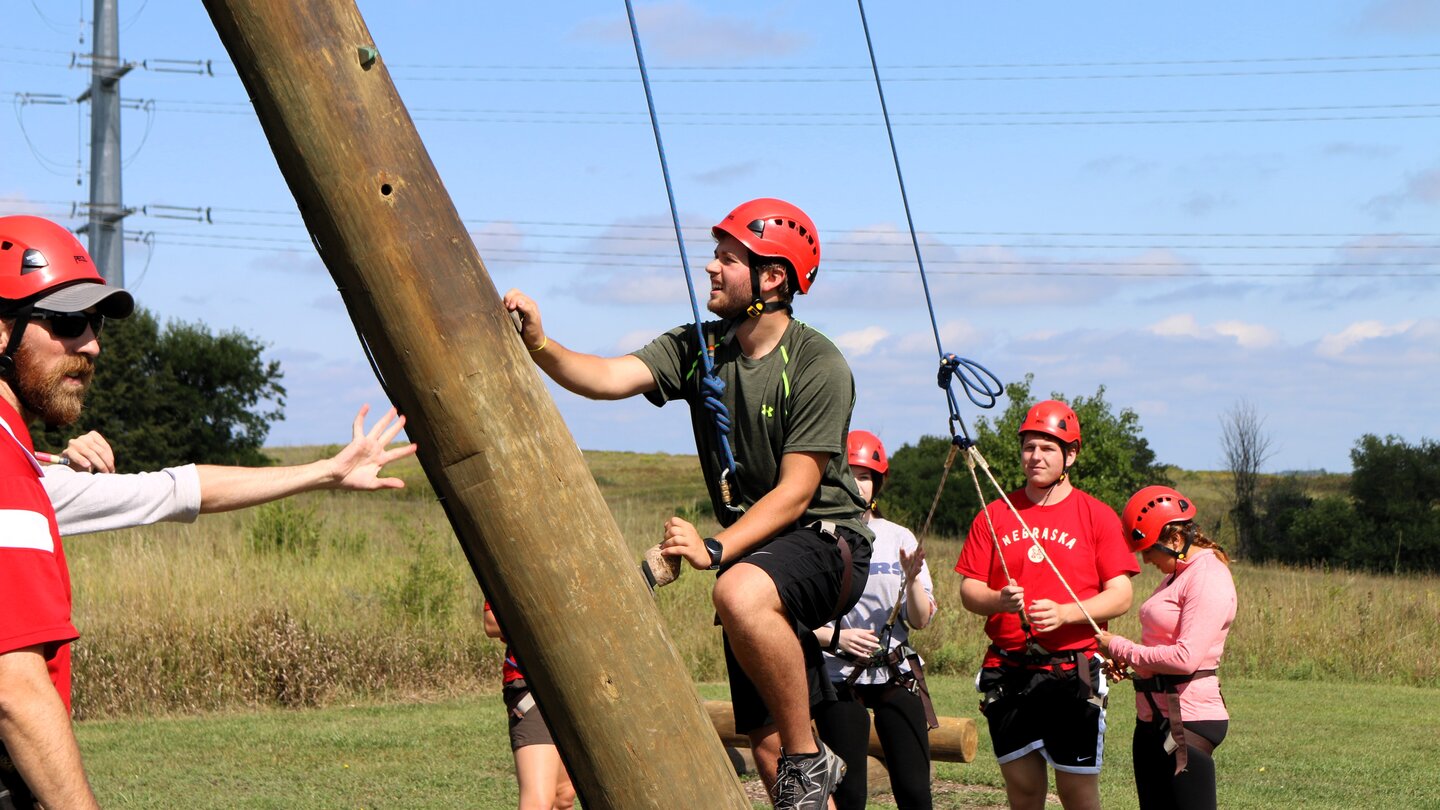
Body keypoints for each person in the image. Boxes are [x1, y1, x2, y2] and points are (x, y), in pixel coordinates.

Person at [0, 215, 417, 809]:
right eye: (66, 322)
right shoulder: (8, 470)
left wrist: (326, 471)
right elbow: (14, 686)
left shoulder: (26, 465)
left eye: (92, 324)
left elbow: (174, 489)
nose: (91, 344)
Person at [504, 197, 872, 810]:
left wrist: (715, 547)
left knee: (737, 594)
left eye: (727, 258)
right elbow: (605, 377)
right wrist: (541, 344)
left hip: (826, 541)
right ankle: (803, 762)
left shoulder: (817, 363)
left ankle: (811, 760)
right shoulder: (699, 348)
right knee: (767, 748)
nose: (710, 268)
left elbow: (797, 491)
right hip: (756, 554)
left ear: (772, 278)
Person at [953, 399, 1137, 810]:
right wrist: (998, 601)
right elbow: (969, 591)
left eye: (1048, 447)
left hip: (1073, 672)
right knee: (1023, 791)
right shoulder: (995, 512)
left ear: (1070, 454)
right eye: (1029, 447)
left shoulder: (1097, 516)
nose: (1035, 456)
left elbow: (1121, 594)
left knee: (1077, 793)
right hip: (1009, 671)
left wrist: (1066, 613)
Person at [813, 430, 937, 810]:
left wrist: (913, 579)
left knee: (916, 791)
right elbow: (793, 618)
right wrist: (836, 639)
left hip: (894, 672)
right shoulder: (813, 536)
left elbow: (921, 620)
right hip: (838, 675)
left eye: (865, 476)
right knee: (850, 796)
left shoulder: (898, 537)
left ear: (877, 482)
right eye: (849, 473)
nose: (856, 483)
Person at [1097, 486, 1236, 810]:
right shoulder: (1179, 573)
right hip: (1153, 716)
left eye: (1148, 550)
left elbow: (1186, 658)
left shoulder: (1208, 576)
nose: (1144, 559)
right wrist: (1135, 665)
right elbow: (1164, 646)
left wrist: (1122, 647)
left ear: (1174, 539)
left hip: (1186, 719)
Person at [483, 602, 576, 810]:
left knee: (564, 797)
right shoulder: (512, 570)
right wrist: (557, 612)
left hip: (577, 685)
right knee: (539, 803)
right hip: (532, 686)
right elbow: (491, 623)